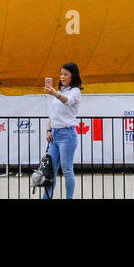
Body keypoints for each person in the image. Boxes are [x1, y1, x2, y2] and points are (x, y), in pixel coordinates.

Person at [42, 62, 82, 199]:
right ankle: (46, 197)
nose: (62, 77)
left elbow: (68, 101)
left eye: (66, 74)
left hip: (67, 134)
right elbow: (53, 114)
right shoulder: (60, 92)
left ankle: (69, 197)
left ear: (73, 76)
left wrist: (54, 93)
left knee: (67, 170)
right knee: (49, 171)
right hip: (54, 135)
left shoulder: (75, 92)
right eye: (61, 74)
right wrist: (48, 130)